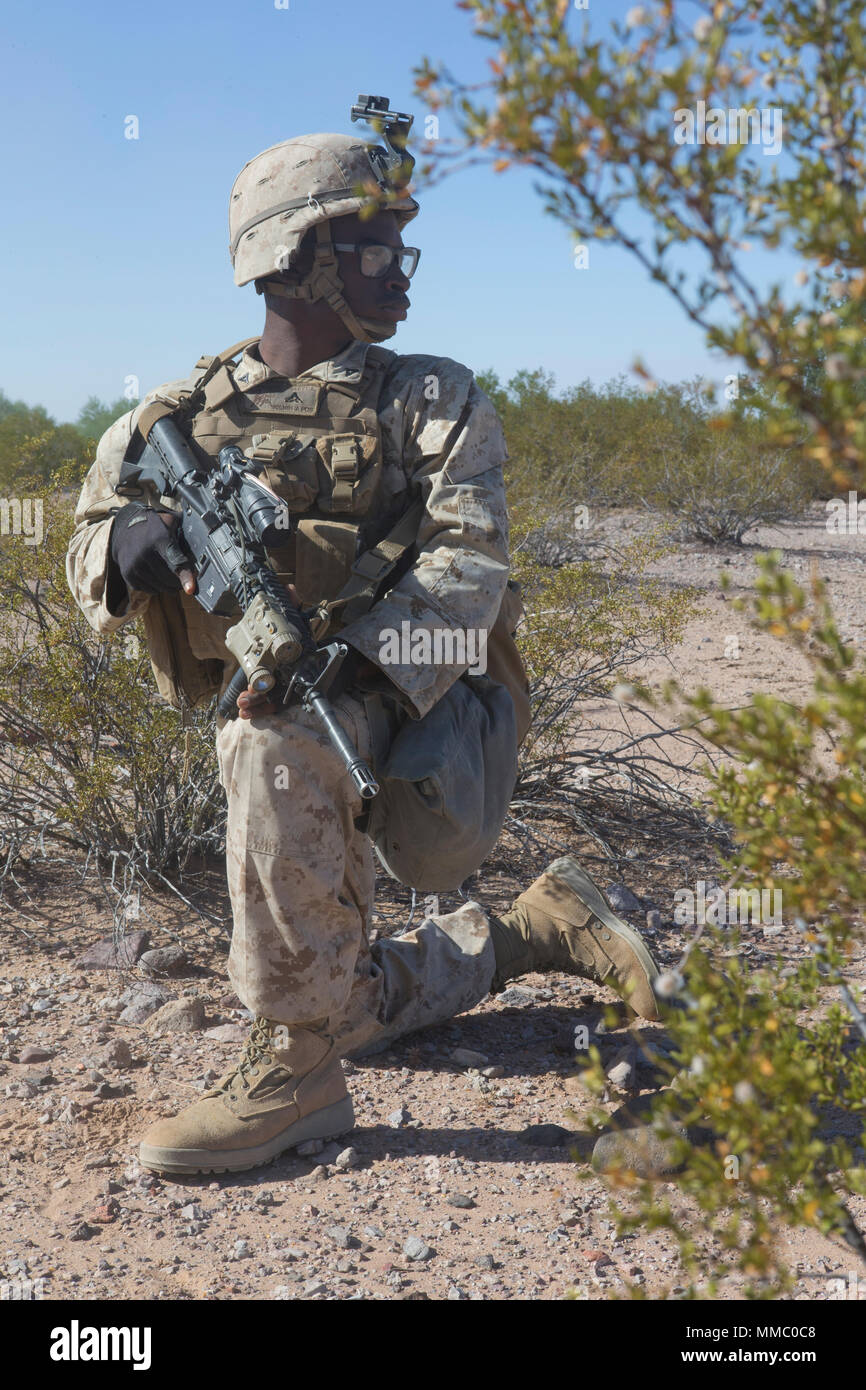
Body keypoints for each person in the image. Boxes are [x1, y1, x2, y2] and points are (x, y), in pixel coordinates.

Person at [66, 107, 660, 1176]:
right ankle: (523, 931)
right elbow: (83, 546)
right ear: (294, 256)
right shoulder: (173, 415)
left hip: (429, 698)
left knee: (269, 734)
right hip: (287, 705)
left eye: (400, 246)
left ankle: (294, 1069)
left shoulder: (431, 395)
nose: (400, 269)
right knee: (333, 973)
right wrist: (130, 545)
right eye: (373, 247)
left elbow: (470, 567)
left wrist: (353, 665)